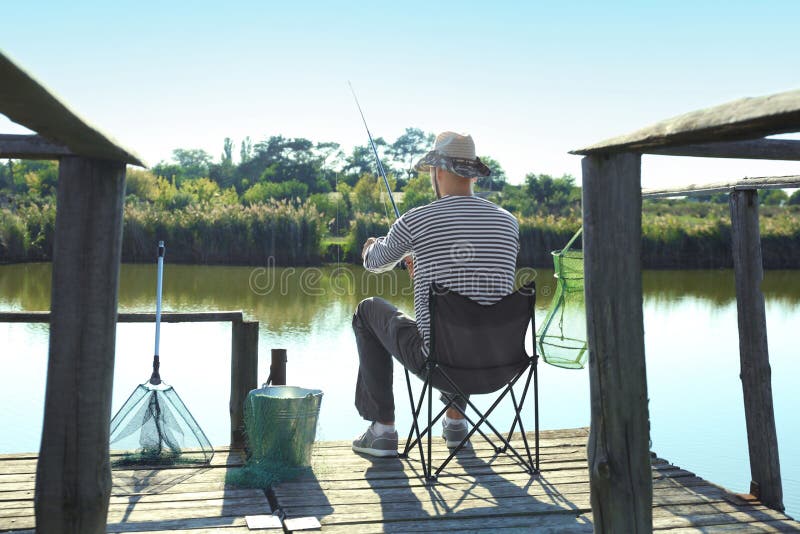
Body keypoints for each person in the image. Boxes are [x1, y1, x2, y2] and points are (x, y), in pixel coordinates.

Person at [351, 131, 520, 457]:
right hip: (499, 362)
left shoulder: (418, 219)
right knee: (469, 321)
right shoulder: (507, 222)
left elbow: (375, 264)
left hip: (439, 364)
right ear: (472, 174)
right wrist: (428, 268)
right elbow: (477, 281)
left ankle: (382, 429)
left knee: (366, 310)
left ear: (437, 170)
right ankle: (456, 424)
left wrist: (371, 245)